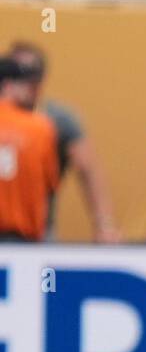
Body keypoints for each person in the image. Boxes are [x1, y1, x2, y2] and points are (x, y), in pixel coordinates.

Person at [6, 42, 121, 242]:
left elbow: (88, 170)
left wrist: (105, 225)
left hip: (35, 234)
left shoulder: (51, 123)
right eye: (12, 74)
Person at [0, 58, 60, 242]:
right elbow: (50, 183)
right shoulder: (39, 127)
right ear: (7, 86)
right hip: (21, 237)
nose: (34, 91)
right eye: (27, 85)